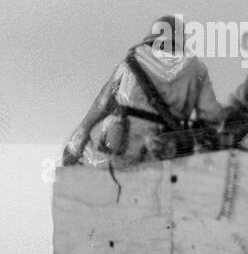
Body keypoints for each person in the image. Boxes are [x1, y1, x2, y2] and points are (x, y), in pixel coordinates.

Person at [62, 15, 223, 167]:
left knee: (81, 167)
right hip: (161, 151)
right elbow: (211, 115)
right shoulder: (196, 68)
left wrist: (77, 140)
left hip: (117, 147)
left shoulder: (132, 61)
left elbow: (103, 102)